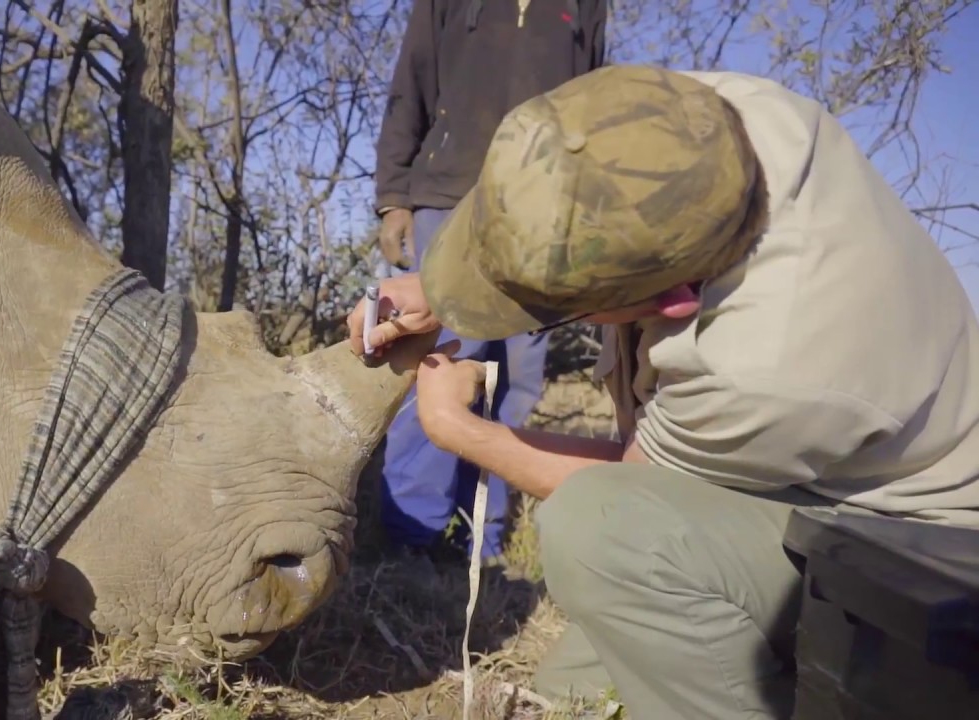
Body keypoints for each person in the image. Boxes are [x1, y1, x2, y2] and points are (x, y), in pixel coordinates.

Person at [349, 64, 979, 719]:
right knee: (574, 695)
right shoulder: (683, 117)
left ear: (673, 304)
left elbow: (632, 490)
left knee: (601, 533)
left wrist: (459, 429)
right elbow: (570, 189)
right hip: (814, 473)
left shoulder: (762, 363)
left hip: (913, 552)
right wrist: (447, 288)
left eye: (550, 311)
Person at [371, 0, 608, 565]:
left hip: (545, 209)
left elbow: (595, 108)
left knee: (517, 380)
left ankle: (483, 538)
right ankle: (410, 533)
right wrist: (395, 197)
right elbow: (412, 82)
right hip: (450, 195)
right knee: (440, 360)